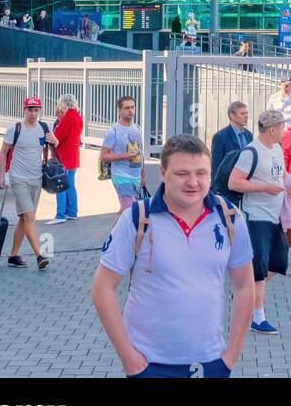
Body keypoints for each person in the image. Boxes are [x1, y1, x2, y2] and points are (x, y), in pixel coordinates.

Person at [93, 133, 255, 377]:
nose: (193, 182)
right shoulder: (137, 219)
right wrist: (130, 360)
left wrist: (230, 356)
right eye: (182, 174)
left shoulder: (229, 218)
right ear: (163, 173)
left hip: (211, 364)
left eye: (201, 173)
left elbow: (245, 286)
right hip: (150, 365)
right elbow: (102, 288)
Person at [229, 109, 288, 335]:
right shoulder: (251, 151)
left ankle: (246, 292)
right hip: (256, 216)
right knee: (260, 269)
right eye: (282, 127)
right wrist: (264, 188)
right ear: (272, 130)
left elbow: (281, 176)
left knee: (277, 263)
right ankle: (257, 316)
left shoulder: (277, 149)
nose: (284, 131)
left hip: (276, 215)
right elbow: (235, 182)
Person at [0, 97, 57, 271]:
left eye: (36, 109)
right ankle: (40, 256)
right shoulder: (14, 129)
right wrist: (2, 177)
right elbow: (3, 154)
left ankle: (13, 256)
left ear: (39, 111)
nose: (33, 113)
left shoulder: (45, 128)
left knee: (24, 219)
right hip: (18, 178)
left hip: (36, 179)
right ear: (24, 110)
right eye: (30, 109)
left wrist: (54, 141)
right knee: (30, 217)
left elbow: (56, 144)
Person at [100, 96, 145, 214]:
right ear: (119, 110)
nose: (130, 110)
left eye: (132, 107)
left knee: (126, 214)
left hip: (136, 178)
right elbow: (104, 156)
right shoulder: (113, 131)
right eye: (126, 108)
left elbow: (141, 154)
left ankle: (116, 233)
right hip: (121, 177)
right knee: (130, 214)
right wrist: (125, 156)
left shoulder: (138, 129)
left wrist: (143, 176)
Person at [48, 94, 83, 224]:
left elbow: (57, 138)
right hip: (73, 156)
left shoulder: (67, 118)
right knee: (70, 185)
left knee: (60, 186)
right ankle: (72, 212)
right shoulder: (78, 117)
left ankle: (60, 215)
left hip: (64, 157)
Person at [211, 101, 252, 174]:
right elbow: (215, 166)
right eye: (242, 113)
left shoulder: (249, 135)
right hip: (227, 182)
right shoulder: (220, 137)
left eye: (246, 113)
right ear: (232, 116)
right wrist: (216, 185)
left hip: (246, 181)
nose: (246, 116)